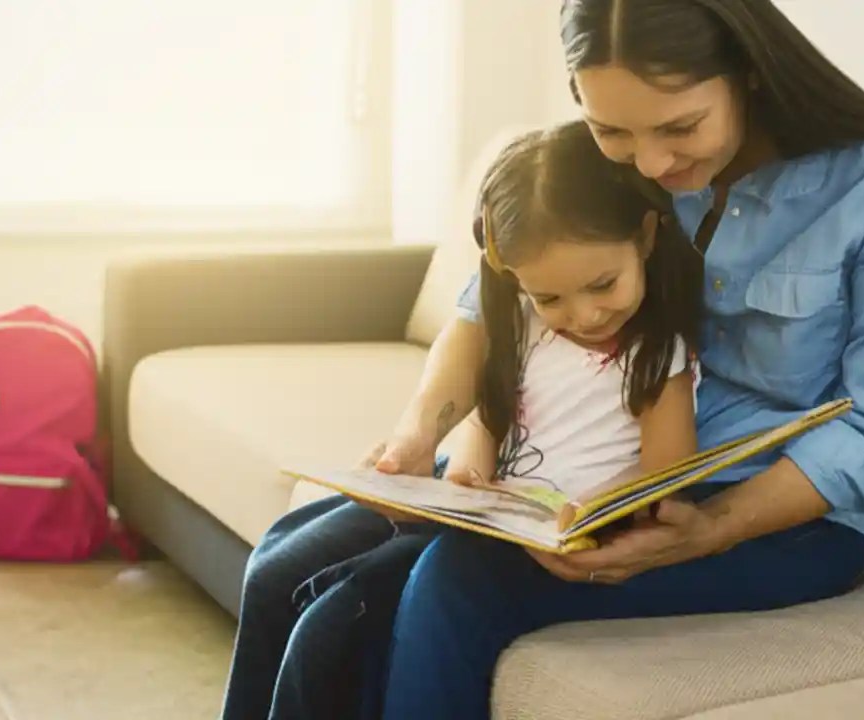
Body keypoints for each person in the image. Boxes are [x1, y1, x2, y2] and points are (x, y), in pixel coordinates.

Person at [223, 0, 864, 717]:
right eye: (613, 130)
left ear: (751, 69)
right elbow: (486, 310)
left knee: (430, 589)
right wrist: (422, 434)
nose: (651, 161)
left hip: (780, 512)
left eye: (681, 128)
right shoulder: (609, 158)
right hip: (582, 470)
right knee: (292, 556)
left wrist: (711, 529)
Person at [222, 120, 706, 720]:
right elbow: (491, 417)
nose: (583, 314)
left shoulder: (658, 352)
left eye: (602, 284)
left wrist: (590, 511)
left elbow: (668, 473)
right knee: (276, 565)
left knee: (334, 621)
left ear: (648, 235)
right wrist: (465, 473)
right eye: (550, 298)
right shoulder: (519, 323)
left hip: (545, 540)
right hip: (481, 516)